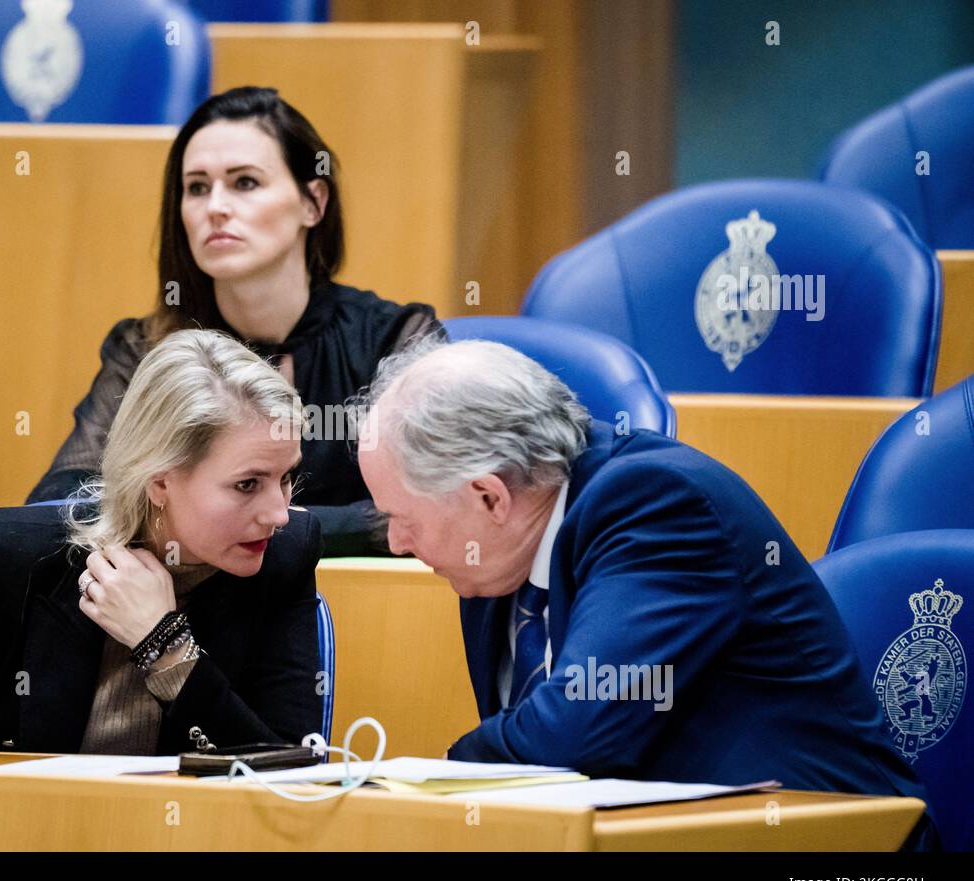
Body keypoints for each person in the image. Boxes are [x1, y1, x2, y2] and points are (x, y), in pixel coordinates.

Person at [356, 336, 936, 846]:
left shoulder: (656, 505)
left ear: (489, 496)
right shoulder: (495, 553)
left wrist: (421, 779)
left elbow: (572, 734)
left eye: (401, 518)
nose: (399, 543)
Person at [27, 85, 441, 556]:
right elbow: (59, 503)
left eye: (245, 182)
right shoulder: (145, 347)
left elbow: (436, 505)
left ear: (313, 202)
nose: (215, 206)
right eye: (197, 188)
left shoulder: (394, 339)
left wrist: (217, 521)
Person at [0, 330, 324, 755]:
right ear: (160, 482)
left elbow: (283, 773)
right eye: (247, 484)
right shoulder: (11, 555)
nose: (280, 515)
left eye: (286, 478)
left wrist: (164, 646)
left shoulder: (284, 558)